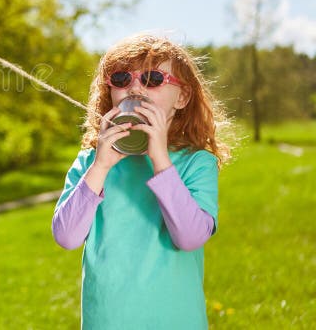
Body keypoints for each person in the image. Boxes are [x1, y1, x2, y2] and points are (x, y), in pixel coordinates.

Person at [52, 34, 231, 329]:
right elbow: (67, 237)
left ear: (182, 97)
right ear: (109, 94)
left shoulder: (197, 162)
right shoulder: (91, 163)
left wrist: (160, 159)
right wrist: (100, 166)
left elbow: (189, 238)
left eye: (152, 78)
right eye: (121, 79)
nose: (134, 88)